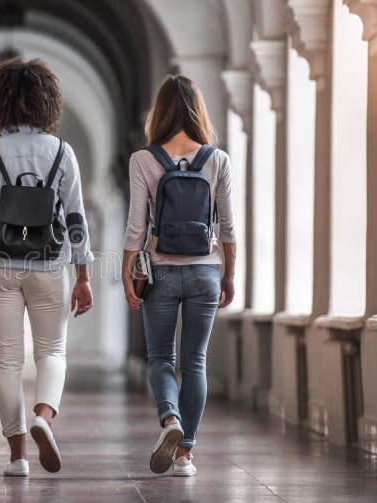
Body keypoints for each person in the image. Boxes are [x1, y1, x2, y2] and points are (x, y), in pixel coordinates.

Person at [0, 58, 94, 477]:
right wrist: (84, 276)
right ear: (47, 102)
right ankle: (43, 416)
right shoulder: (62, 152)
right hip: (50, 264)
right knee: (52, 351)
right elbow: (75, 218)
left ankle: (18, 456)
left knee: (6, 361)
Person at [121, 75, 236, 477]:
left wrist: (125, 273)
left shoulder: (143, 160)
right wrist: (229, 275)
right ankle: (186, 454)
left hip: (162, 271)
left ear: (160, 112)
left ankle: (170, 420)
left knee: (160, 358)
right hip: (206, 271)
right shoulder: (217, 159)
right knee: (196, 361)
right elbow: (229, 230)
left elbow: (136, 227)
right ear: (198, 111)